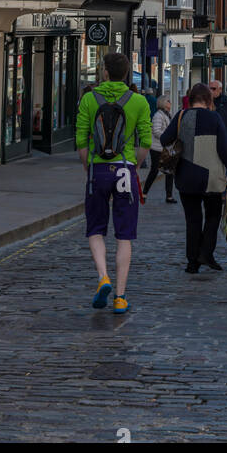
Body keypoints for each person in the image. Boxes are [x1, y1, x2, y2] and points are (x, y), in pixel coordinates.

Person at [75, 52, 152, 314]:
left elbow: (82, 140)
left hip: (99, 169)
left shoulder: (88, 99)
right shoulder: (139, 101)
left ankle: (103, 277)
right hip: (125, 170)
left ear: (105, 72)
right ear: (127, 73)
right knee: (124, 235)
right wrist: (136, 165)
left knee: (95, 228)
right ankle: (120, 296)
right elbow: (147, 141)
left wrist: (89, 167)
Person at [160, 83, 227, 273]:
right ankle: (206, 253)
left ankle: (192, 262)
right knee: (213, 215)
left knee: (192, 219)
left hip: (186, 175)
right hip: (211, 176)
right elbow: (224, 149)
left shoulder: (181, 116)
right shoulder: (214, 117)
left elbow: (164, 139)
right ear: (209, 100)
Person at [143, 96, 176, 202]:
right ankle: (144, 192)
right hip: (157, 148)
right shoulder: (158, 115)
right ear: (162, 103)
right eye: (168, 100)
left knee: (169, 171)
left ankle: (169, 196)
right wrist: (168, 137)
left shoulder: (166, 114)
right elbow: (156, 131)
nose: (170, 102)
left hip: (165, 147)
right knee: (154, 171)